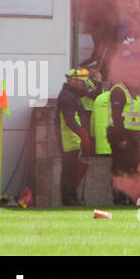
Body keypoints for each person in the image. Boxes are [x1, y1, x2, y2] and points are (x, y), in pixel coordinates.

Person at [92, 77, 140, 205]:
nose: (137, 77)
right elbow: (117, 117)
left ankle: (132, 197)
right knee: (120, 170)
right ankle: (120, 198)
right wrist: (121, 138)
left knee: (133, 169)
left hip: (133, 138)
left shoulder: (134, 92)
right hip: (123, 138)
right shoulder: (119, 90)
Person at [56, 69, 94, 206]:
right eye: (82, 83)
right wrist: (83, 135)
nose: (84, 86)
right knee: (68, 171)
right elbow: (70, 120)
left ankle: (72, 198)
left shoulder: (71, 95)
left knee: (71, 171)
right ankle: (69, 200)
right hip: (68, 140)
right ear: (73, 81)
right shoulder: (67, 96)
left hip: (73, 139)